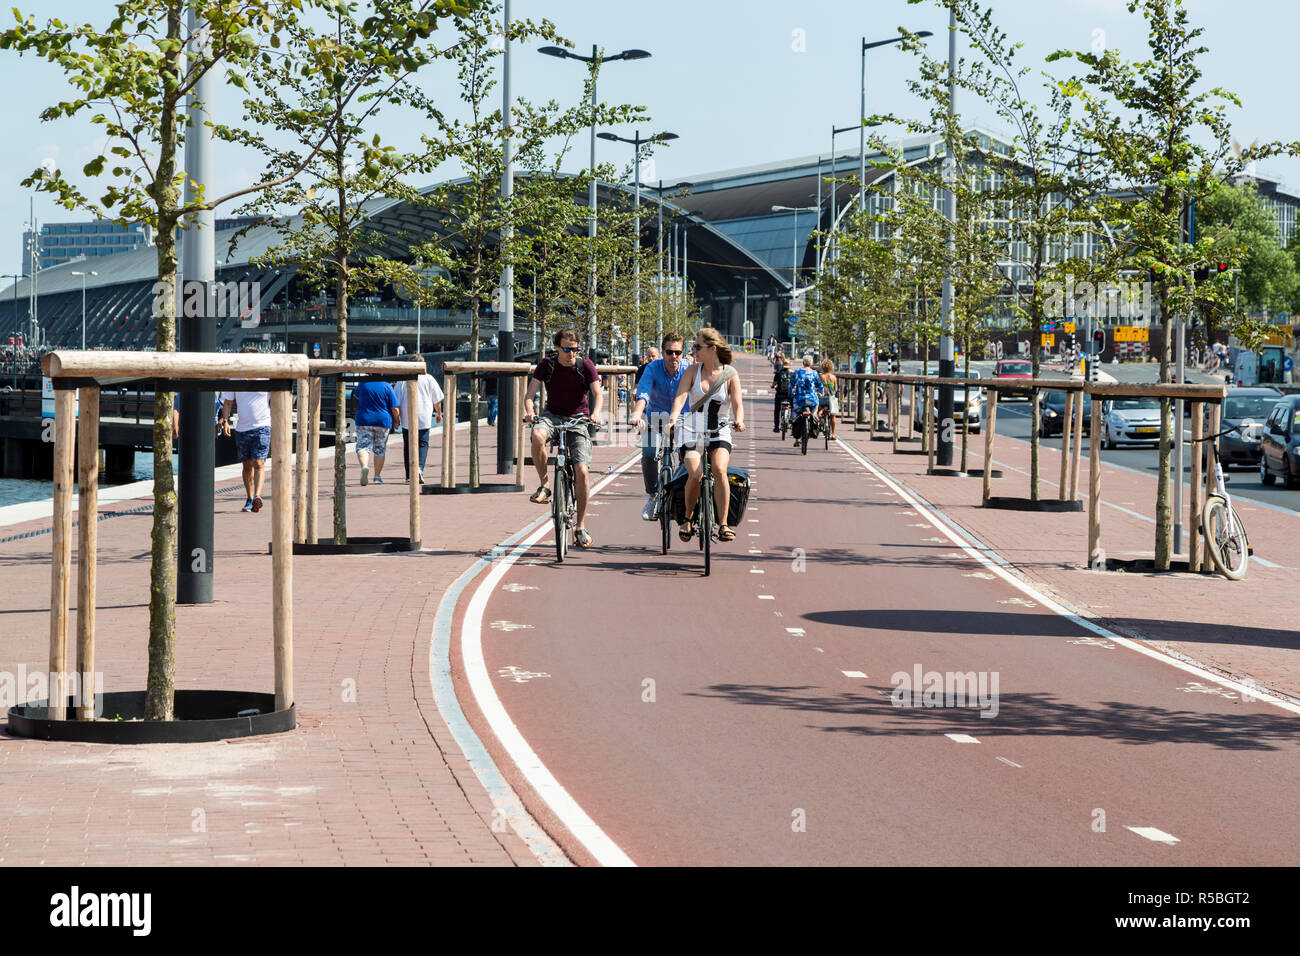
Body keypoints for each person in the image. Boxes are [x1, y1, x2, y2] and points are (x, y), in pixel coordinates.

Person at [523, 327, 603, 549]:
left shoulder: (584, 365)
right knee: (537, 435)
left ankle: (580, 526)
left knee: (582, 471)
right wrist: (529, 411)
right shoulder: (546, 365)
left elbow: (597, 393)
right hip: (552, 416)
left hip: (578, 418)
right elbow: (530, 395)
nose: (571, 354)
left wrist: (595, 414)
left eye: (575, 349)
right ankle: (545, 486)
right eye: (567, 349)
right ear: (557, 347)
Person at [668, 327, 745, 542]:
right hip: (692, 430)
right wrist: (674, 417)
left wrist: (739, 420)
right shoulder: (692, 371)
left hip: (719, 430)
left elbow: (738, 403)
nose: (693, 350)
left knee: (720, 469)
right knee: (695, 473)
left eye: (697, 347)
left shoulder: (730, 374)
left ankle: (723, 524)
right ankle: (687, 518)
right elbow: (680, 398)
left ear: (712, 349)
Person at [631, 333, 688, 520]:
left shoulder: (689, 369)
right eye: (670, 352)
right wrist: (637, 413)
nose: (674, 357)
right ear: (662, 352)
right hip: (655, 417)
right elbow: (644, 393)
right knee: (648, 453)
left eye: (677, 352)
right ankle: (653, 496)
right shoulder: (652, 368)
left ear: (683, 352)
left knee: (690, 458)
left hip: (683, 419)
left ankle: (685, 498)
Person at [217, 348, 272, 513]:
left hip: (263, 426)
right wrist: (225, 421)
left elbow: (277, 398)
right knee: (247, 466)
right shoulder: (234, 377)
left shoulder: (266, 377)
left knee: (259, 463)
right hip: (242, 428)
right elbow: (227, 403)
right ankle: (249, 498)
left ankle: (257, 496)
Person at [395, 354, 444, 483]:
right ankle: (419, 468)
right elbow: (437, 399)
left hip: (407, 417)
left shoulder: (402, 380)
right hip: (424, 416)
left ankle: (408, 475)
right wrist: (439, 413)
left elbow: (396, 402)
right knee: (423, 444)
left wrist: (396, 419)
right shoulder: (429, 379)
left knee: (408, 446)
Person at [352, 376, 400, 485]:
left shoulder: (363, 383)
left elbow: (357, 397)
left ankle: (364, 466)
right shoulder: (387, 386)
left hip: (364, 419)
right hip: (382, 421)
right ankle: (377, 477)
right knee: (380, 449)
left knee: (363, 447)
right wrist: (397, 420)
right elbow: (395, 408)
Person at [789, 355, 824, 444]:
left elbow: (791, 384)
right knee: (815, 408)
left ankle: (797, 437)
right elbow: (820, 385)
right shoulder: (814, 373)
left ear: (803, 362)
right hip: (812, 399)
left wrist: (791, 393)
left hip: (799, 399)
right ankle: (814, 418)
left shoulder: (797, 372)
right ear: (811, 363)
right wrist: (821, 393)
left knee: (795, 412)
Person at [818, 358, 840, 440]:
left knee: (817, 411)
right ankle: (833, 434)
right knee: (833, 416)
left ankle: (821, 420)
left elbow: (818, 387)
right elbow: (835, 390)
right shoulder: (833, 377)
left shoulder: (821, 376)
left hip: (823, 398)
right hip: (832, 399)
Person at [771, 355, 793, 432]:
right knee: (794, 408)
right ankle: (792, 420)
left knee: (777, 410)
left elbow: (774, 384)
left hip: (780, 394)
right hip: (790, 395)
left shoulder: (778, 373)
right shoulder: (792, 374)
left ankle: (776, 426)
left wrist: (773, 386)